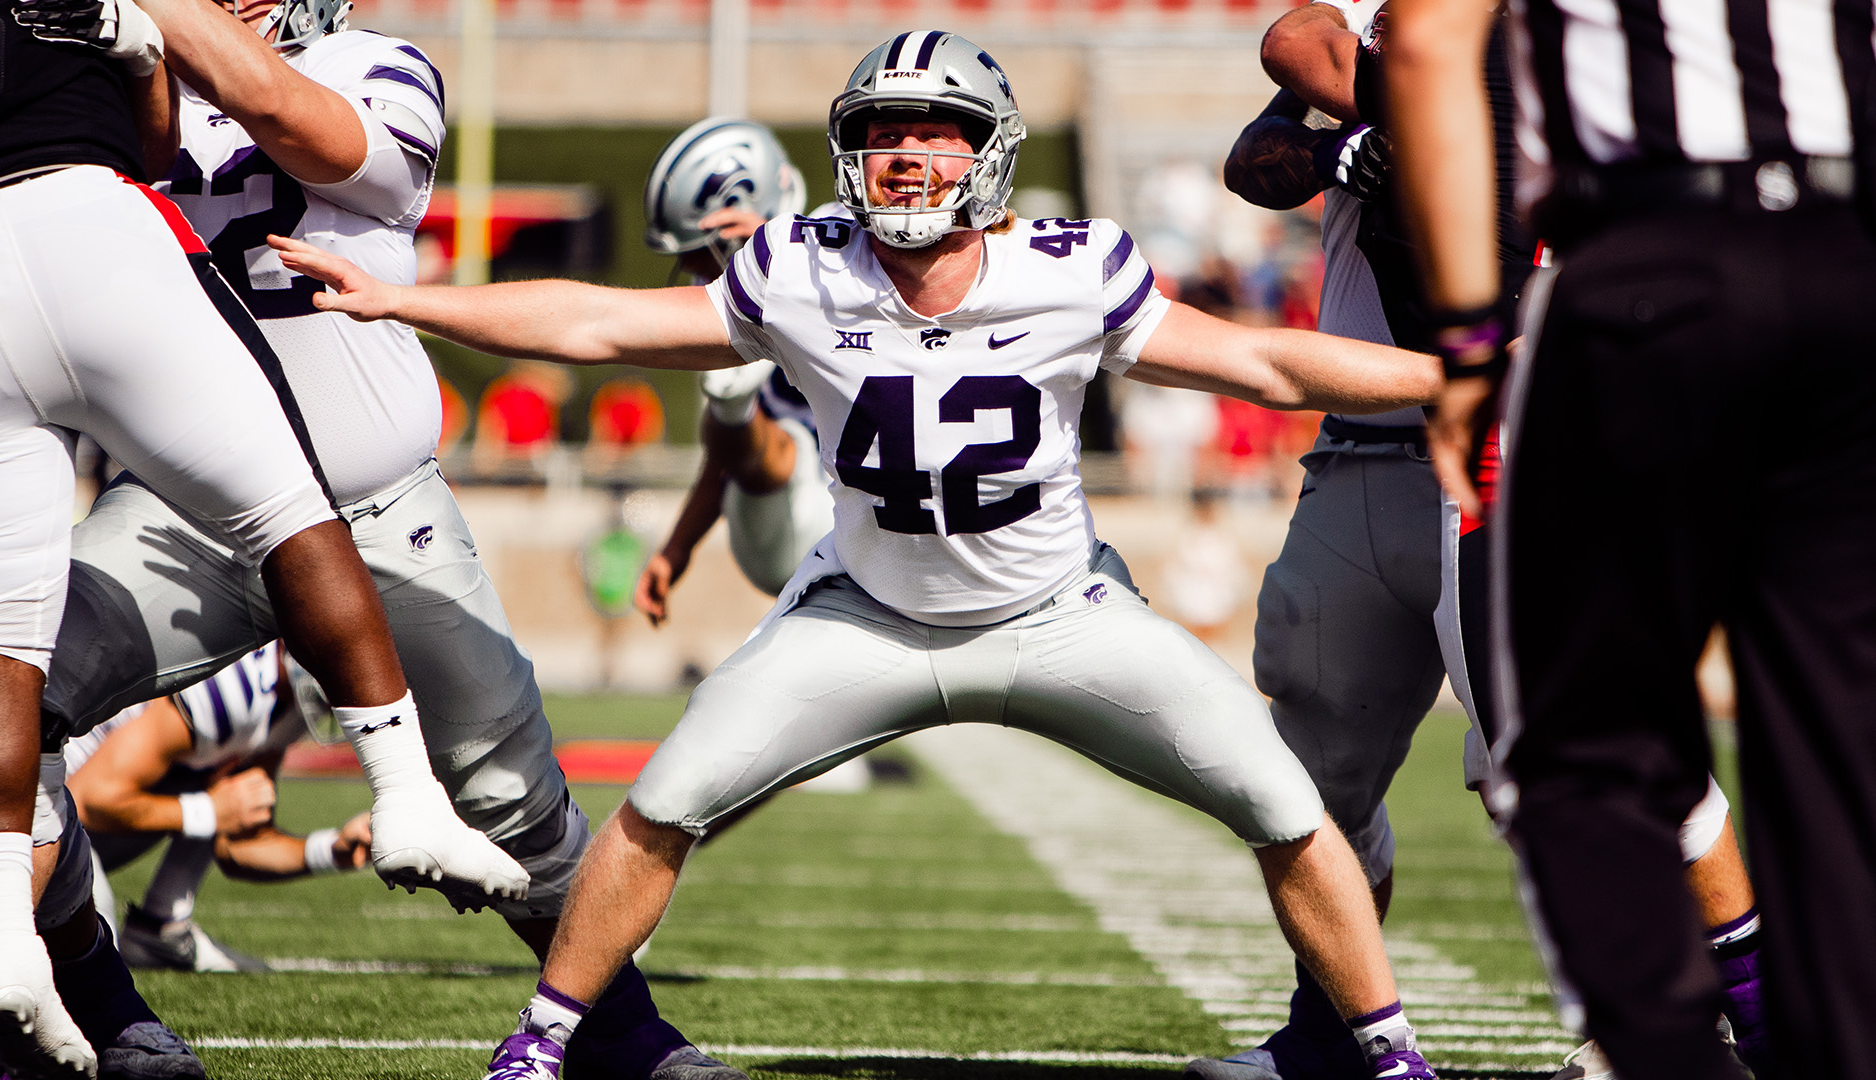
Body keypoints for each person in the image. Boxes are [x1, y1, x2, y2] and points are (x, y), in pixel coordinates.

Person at [276, 29, 1458, 1080]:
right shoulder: (803, 263)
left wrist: (1455, 380)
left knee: (1287, 804)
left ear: (987, 155)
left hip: (1060, 614)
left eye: (936, 136)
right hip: (866, 618)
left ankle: (1385, 1051)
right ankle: (542, 1044)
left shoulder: (1069, 265)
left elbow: (1267, 367)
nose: (905, 157)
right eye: (882, 134)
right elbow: (605, 321)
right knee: (663, 804)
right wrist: (403, 303)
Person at [1188, 3, 1773, 1079]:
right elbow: (1260, 157)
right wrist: (1354, 145)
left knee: (1586, 749)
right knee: (1313, 774)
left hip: (1532, 441)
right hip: (1362, 450)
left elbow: (1303, 45)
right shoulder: (1405, 32)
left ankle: (1749, 1016)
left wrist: (1410, 123)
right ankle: (1329, 1031)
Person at [0, 0, 520, 1074]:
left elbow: (282, 113)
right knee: (288, 503)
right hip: (84, 229)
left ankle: (5, 943)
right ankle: (404, 798)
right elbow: (160, 138)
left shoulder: (368, 68)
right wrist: (137, 34)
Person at [1384, 0, 1876, 1077]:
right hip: (1849, 260)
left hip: (1653, 269)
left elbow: (1424, 43)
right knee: (1836, 738)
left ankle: (1664, 1058)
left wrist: (1468, 342)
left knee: (1576, 744)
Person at [633, 117, 836, 623]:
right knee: (736, 418)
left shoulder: (839, 245)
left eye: (705, 255)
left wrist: (787, 249)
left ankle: (732, 402)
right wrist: (677, 548)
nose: (702, 274)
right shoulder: (745, 318)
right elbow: (727, 457)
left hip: (874, 497)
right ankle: (732, 402)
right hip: (804, 524)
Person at [62, 646, 370, 973]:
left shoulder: (288, 701)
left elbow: (238, 842)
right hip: (36, 817)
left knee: (231, 790)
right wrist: (209, 811)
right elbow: (86, 798)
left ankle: (160, 926)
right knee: (95, 952)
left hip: (78, 824)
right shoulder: (233, 682)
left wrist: (333, 850)